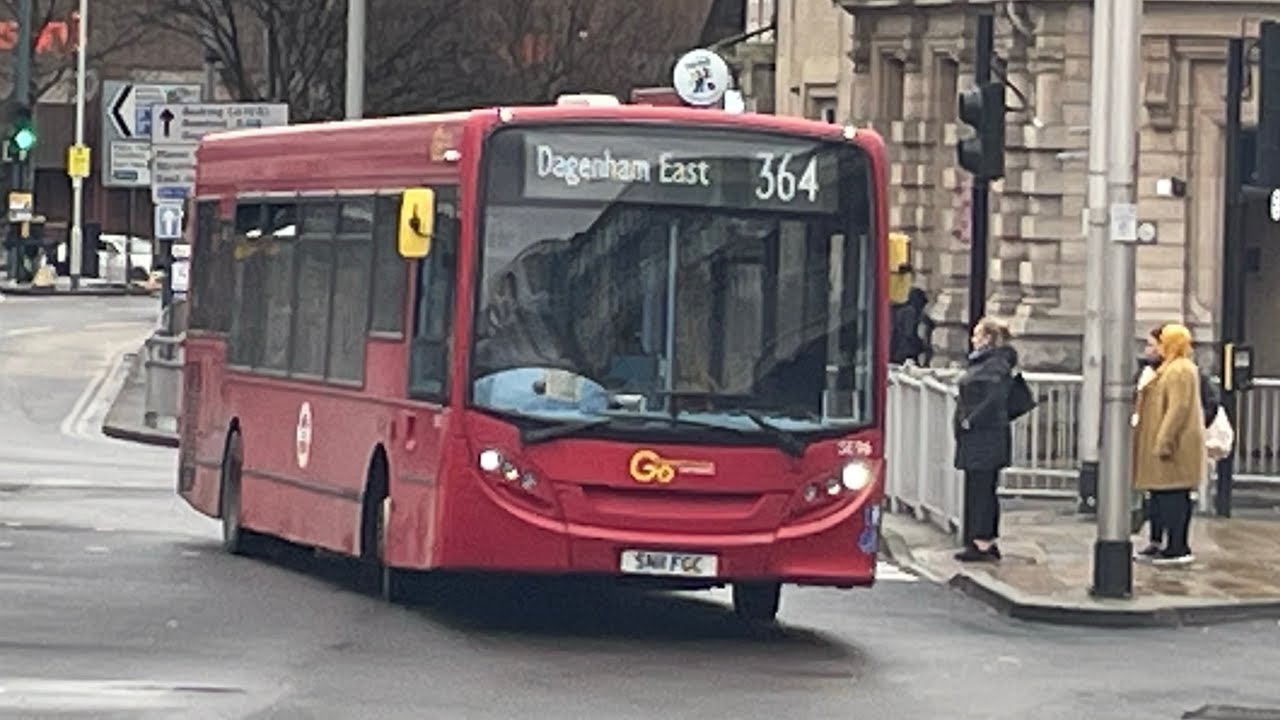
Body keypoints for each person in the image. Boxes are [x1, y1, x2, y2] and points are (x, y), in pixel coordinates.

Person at [1134, 324, 1221, 561]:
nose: (1150, 350)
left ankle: (1176, 546)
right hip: (1162, 444)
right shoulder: (1166, 369)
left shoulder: (1180, 370)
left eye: (1155, 344)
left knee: (1173, 496)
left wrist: (1164, 440)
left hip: (1174, 447)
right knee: (1160, 496)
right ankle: (1159, 542)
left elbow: (1178, 409)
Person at [953, 316, 1018, 562]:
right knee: (977, 487)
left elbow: (993, 400)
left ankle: (982, 540)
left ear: (988, 339)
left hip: (985, 437)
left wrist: (971, 420)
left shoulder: (995, 366)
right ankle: (978, 539)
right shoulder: (986, 363)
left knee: (982, 490)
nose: (973, 339)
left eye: (978, 335)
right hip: (978, 437)